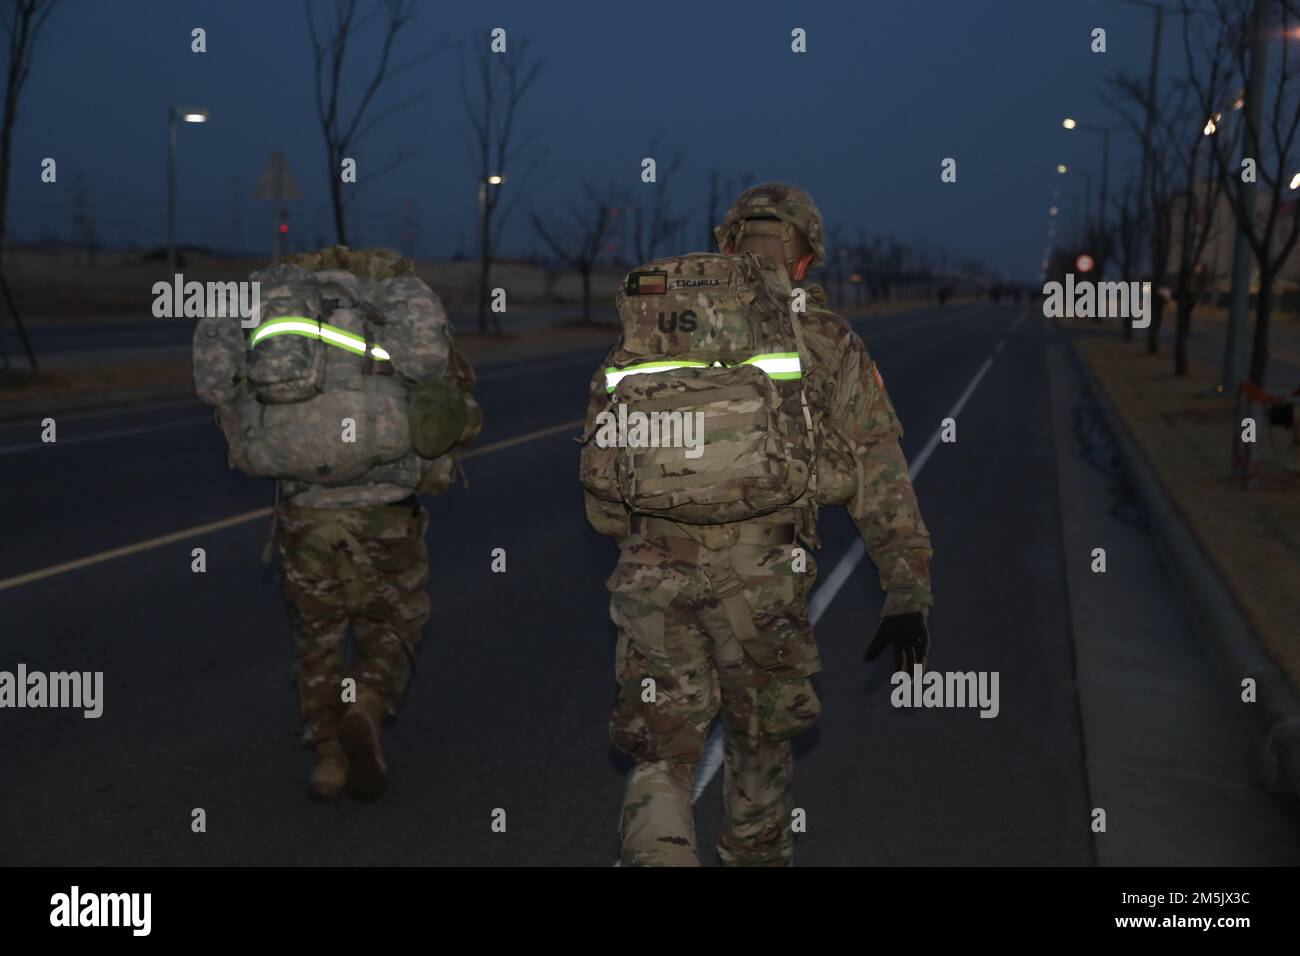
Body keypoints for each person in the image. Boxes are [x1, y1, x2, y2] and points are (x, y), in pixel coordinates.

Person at [581, 183, 934, 865]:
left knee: (662, 749)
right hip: (765, 580)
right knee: (759, 743)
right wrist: (907, 588)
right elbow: (877, 475)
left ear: (726, 246)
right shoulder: (829, 338)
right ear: (806, 260)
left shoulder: (656, 321)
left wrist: (645, 536)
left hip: (654, 568)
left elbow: (602, 482)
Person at [192, 246, 478, 801]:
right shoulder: (394, 305)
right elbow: (451, 412)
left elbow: (220, 389)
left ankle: (327, 759)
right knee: (394, 622)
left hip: (304, 511)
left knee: (317, 637)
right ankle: (367, 700)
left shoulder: (277, 311)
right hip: (387, 509)